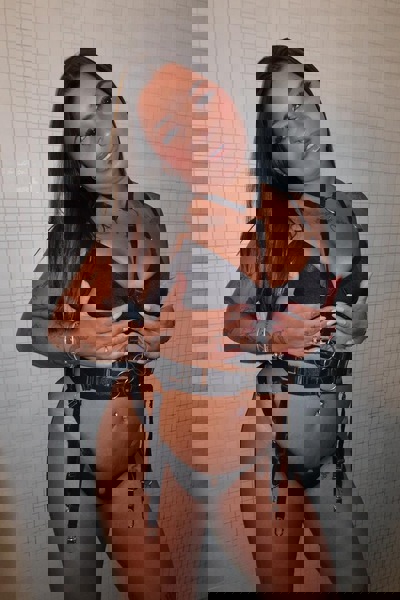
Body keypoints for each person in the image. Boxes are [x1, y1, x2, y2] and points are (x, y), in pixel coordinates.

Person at [17, 49, 175, 599]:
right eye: (82, 132)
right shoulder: (70, 232)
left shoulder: (151, 218)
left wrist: (156, 334)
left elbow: (157, 315)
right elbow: (32, 331)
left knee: (146, 574)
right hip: (79, 422)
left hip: (135, 418)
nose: (99, 137)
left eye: (102, 111)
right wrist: (76, 339)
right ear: (73, 153)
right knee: (81, 581)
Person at [224, 45, 369, 592]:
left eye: (304, 106)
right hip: (273, 432)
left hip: (330, 429)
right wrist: (274, 333)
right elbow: (232, 324)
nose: (301, 127)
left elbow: (356, 310)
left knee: (351, 575)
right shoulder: (269, 224)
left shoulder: (349, 211)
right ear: (275, 144)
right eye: (285, 121)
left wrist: (355, 329)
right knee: (278, 583)